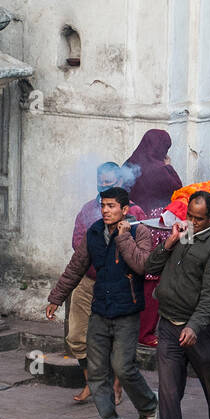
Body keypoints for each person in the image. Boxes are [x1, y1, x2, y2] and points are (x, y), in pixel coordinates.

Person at [46, 187, 158, 419]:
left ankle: (149, 404)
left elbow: (142, 265)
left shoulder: (139, 231)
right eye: (103, 206)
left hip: (127, 311)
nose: (105, 211)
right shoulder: (94, 232)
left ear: (125, 209)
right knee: (97, 370)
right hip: (100, 310)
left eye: (111, 206)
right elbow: (76, 267)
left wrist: (124, 237)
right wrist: (56, 297)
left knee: (123, 367)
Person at [145, 190, 210, 419]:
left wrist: (194, 326)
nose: (192, 222)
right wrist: (169, 242)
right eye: (189, 216)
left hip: (200, 329)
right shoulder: (180, 235)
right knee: (168, 389)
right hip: (169, 323)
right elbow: (151, 266)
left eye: (198, 219)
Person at [63, 162, 129, 402]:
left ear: (119, 183)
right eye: (100, 181)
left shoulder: (132, 213)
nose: (103, 185)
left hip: (117, 286)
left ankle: (115, 386)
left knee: (114, 339)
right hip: (88, 280)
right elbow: (77, 244)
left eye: (109, 182)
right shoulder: (87, 210)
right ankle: (91, 381)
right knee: (76, 336)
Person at [124, 129, 184, 348]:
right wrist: (168, 166)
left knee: (137, 279)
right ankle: (146, 332)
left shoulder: (130, 163)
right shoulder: (160, 170)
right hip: (156, 227)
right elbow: (179, 189)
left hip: (134, 224)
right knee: (153, 281)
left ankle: (135, 328)